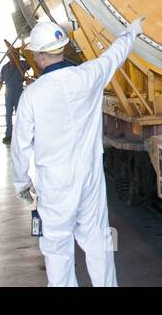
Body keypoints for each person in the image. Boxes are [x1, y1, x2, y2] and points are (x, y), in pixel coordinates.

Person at [12, 15, 144, 287]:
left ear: (38, 55)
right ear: (62, 48)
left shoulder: (32, 95)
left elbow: (20, 145)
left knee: (57, 249)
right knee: (99, 243)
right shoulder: (88, 76)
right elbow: (114, 57)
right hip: (90, 178)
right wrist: (131, 32)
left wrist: (22, 183)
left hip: (55, 184)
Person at [0, 52, 25, 142]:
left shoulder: (22, 64)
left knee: (19, 114)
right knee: (8, 115)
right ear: (8, 55)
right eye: (10, 54)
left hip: (19, 92)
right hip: (8, 93)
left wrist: (23, 54)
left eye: (14, 54)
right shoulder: (4, 67)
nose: (12, 56)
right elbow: (1, 81)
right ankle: (8, 135)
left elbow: (32, 63)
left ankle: (20, 135)